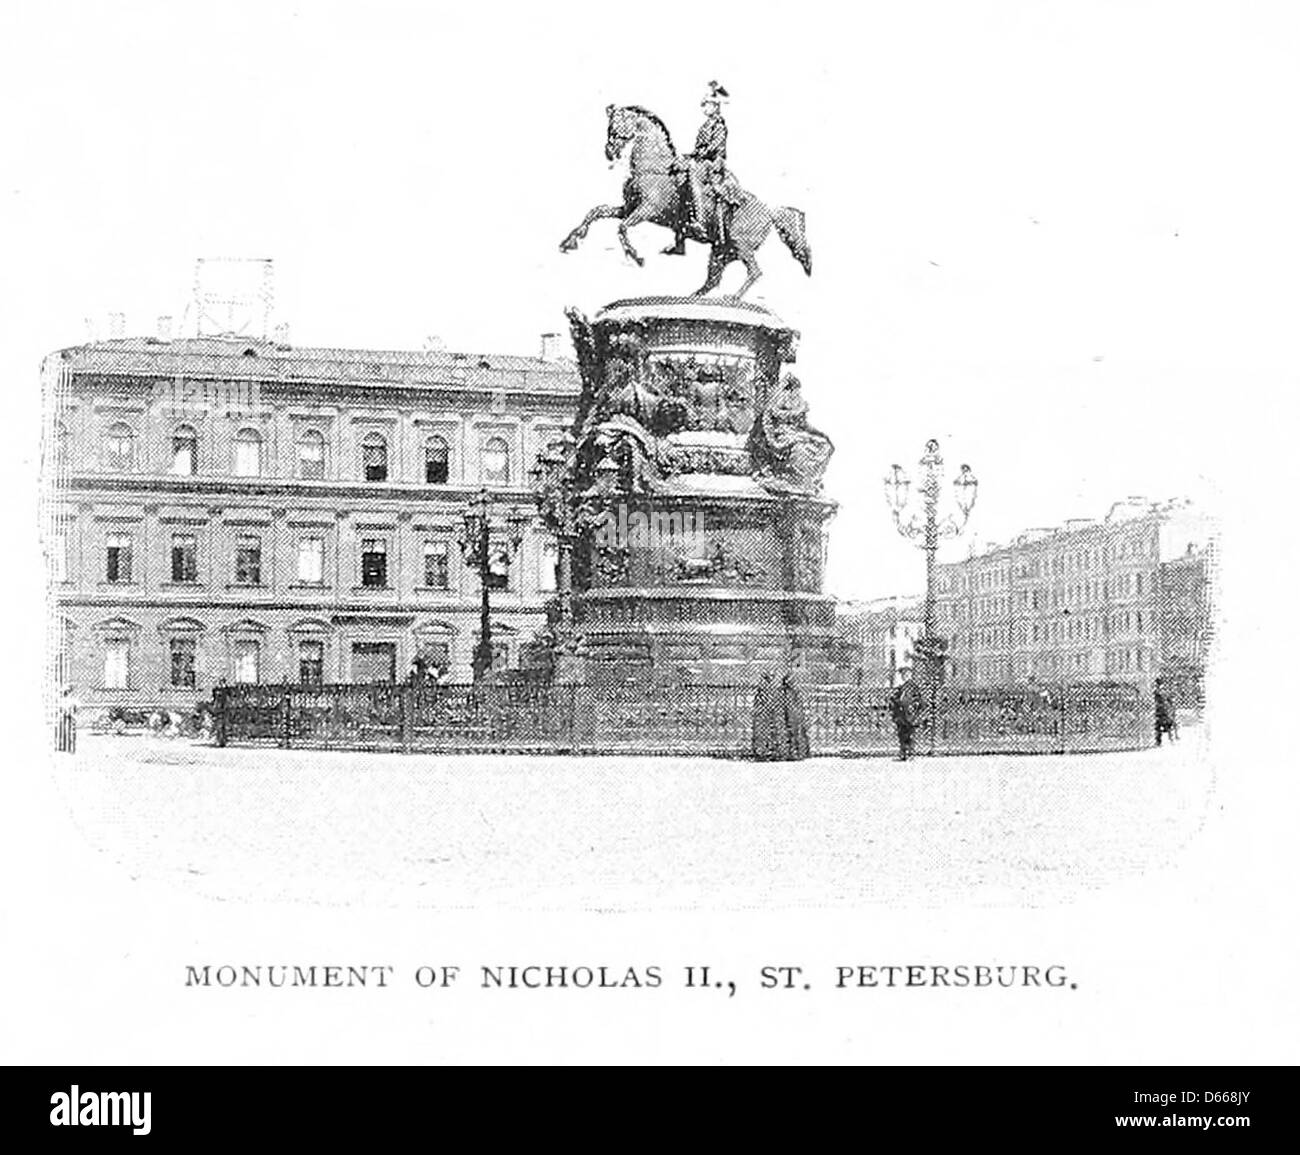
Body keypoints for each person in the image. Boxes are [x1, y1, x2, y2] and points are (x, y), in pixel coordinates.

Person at [666, 81, 743, 253]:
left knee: (693, 173)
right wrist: (690, 155)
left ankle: (700, 221)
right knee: (677, 171)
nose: (704, 108)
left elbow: (715, 147)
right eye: (704, 105)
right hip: (702, 159)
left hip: (713, 162)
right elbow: (700, 147)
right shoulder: (706, 125)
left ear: (716, 107)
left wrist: (697, 156)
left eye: (707, 105)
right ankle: (679, 237)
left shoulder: (719, 126)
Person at [888, 669, 924, 761]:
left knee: (909, 734)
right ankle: (904, 752)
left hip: (909, 715)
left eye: (907, 674)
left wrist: (914, 709)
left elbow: (919, 701)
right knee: (902, 734)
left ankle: (910, 752)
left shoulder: (913, 687)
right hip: (901, 715)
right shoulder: (901, 687)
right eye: (903, 674)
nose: (904, 676)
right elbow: (896, 699)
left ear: (910, 675)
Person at [751, 673, 787, 761]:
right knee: (764, 730)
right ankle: (765, 751)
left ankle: (777, 750)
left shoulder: (776, 689)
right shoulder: (770, 689)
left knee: (775, 729)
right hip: (766, 710)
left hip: (771, 709)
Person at [780, 674, 811, 760]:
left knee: (797, 732)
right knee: (792, 732)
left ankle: (799, 752)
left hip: (794, 714)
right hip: (791, 714)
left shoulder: (793, 692)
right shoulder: (785, 692)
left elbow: (797, 704)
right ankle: (794, 752)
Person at [1154, 677, 1178, 746]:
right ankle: (1170, 739)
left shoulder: (1158, 691)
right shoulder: (1163, 691)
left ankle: (1160, 741)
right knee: (1166, 725)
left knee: (1160, 726)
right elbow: (1170, 700)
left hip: (1161, 710)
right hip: (1163, 710)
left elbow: (1168, 700)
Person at [55, 684, 78, 754]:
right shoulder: (62, 700)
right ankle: (65, 746)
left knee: (72, 732)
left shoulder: (73, 700)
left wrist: (72, 713)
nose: (67, 693)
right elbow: (60, 709)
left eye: (68, 692)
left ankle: (72, 748)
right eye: (66, 692)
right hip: (64, 717)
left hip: (71, 717)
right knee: (64, 732)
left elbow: (76, 708)